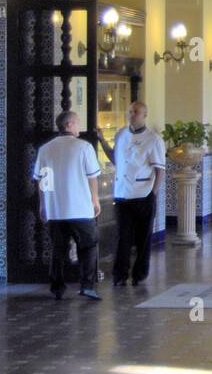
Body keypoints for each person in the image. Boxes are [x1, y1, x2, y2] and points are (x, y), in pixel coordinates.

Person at [35, 110, 103, 301]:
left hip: (56, 209)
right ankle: (87, 285)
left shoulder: (45, 149)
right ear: (69, 125)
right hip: (80, 208)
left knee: (58, 248)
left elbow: (42, 180)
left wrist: (43, 205)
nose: (79, 126)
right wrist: (95, 199)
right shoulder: (84, 147)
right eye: (77, 122)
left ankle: (57, 287)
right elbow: (92, 177)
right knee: (88, 245)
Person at [99, 101, 166, 287]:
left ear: (144, 115)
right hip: (122, 194)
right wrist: (103, 141)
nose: (132, 114)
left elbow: (160, 170)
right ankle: (119, 274)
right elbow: (115, 159)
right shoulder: (121, 134)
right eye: (130, 111)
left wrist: (153, 194)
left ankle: (139, 274)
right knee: (122, 236)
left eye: (136, 112)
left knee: (143, 237)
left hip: (143, 193)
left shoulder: (153, 139)